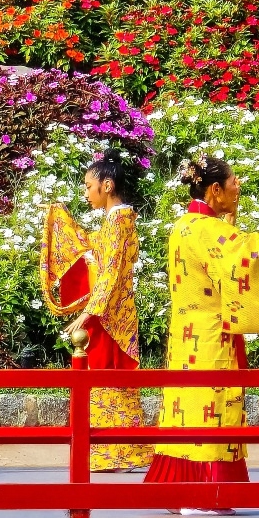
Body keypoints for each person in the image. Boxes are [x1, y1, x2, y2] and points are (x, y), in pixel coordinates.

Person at [143, 155, 259, 502]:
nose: (238, 187)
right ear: (214, 190)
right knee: (211, 412)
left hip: (186, 333)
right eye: (233, 183)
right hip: (211, 335)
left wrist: (232, 222)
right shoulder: (208, 229)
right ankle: (201, 494)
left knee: (187, 411)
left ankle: (184, 490)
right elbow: (243, 257)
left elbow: (227, 258)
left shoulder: (185, 224)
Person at [41, 150, 153, 472]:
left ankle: (114, 452)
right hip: (110, 313)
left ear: (107, 185)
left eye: (89, 187)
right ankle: (116, 451)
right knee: (108, 379)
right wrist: (60, 220)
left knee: (106, 376)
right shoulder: (115, 220)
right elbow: (94, 251)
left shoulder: (118, 221)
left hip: (110, 316)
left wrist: (88, 312)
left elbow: (112, 273)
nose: (86, 193)